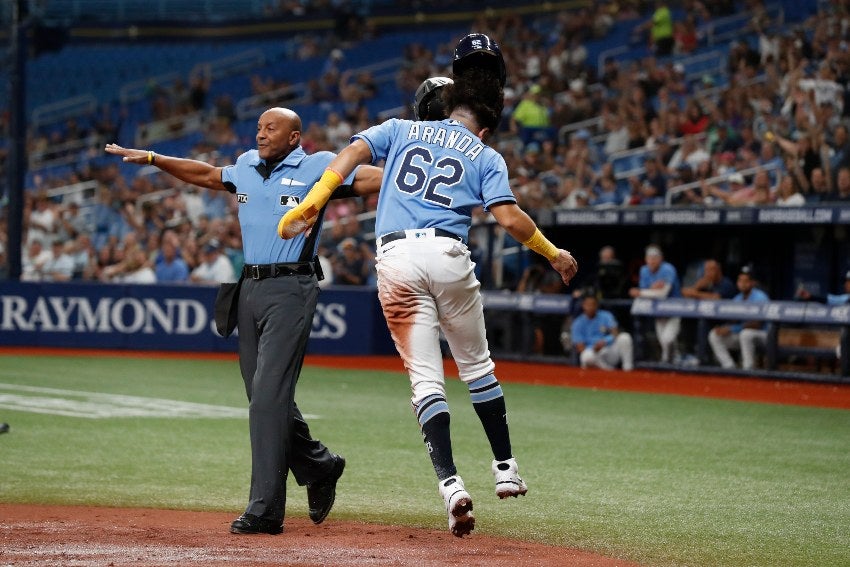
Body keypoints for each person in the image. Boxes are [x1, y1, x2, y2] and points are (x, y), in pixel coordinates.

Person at [278, 34, 577, 538]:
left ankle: (451, 486)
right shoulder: (484, 154)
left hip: (396, 257)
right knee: (477, 367)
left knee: (425, 381)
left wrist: (318, 196)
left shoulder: (401, 129)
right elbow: (508, 217)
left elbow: (352, 151)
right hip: (448, 253)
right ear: (485, 122)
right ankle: (505, 468)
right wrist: (553, 253)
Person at [105, 106, 382, 536]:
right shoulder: (247, 167)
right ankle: (320, 465)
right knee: (263, 397)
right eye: (258, 127)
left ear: (294, 137)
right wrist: (157, 159)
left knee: (267, 398)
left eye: (272, 128)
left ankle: (265, 510)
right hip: (248, 288)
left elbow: (370, 179)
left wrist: (412, 173)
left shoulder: (319, 166)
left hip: (292, 288)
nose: (261, 134)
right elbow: (205, 175)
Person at [707, 266, 770, 370]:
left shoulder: (760, 297)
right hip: (742, 334)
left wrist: (732, 329)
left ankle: (748, 368)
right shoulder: (737, 298)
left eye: (746, 281)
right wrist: (724, 328)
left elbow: (757, 324)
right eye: (740, 280)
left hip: (763, 335)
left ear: (753, 283)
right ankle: (729, 366)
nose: (742, 284)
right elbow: (733, 320)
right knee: (714, 335)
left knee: (746, 334)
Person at [629, 245, 682, 363]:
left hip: (674, 308)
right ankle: (671, 361)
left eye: (655, 258)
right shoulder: (644, 270)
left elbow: (663, 294)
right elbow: (645, 292)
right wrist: (650, 290)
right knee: (663, 341)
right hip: (658, 310)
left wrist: (643, 292)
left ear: (661, 259)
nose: (652, 261)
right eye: (649, 258)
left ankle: (673, 359)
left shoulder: (668, 268)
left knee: (667, 339)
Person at [571, 295, 633, 371]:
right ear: (583, 306)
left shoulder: (606, 315)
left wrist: (605, 341)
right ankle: (609, 371)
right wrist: (594, 348)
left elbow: (615, 332)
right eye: (587, 305)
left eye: (592, 305)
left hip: (609, 349)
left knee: (624, 337)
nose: (590, 307)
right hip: (594, 353)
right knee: (586, 356)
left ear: (596, 306)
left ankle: (628, 369)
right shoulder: (578, 322)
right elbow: (580, 347)